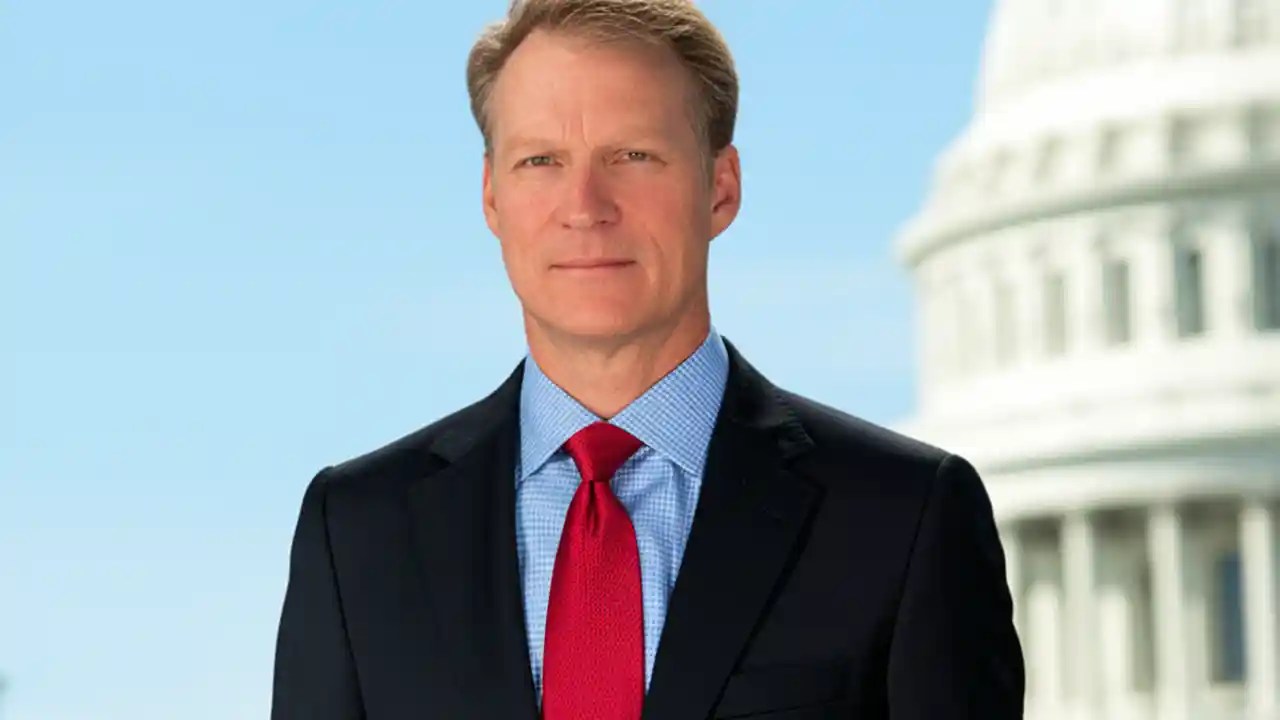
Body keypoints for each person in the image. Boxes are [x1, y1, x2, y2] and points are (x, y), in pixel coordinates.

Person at [270, 0, 1025, 718]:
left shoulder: (903, 519)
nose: (586, 205)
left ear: (720, 189)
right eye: (540, 160)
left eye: (633, 155)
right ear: (491, 197)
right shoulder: (359, 535)